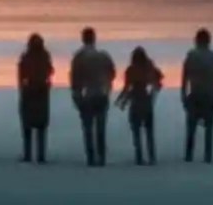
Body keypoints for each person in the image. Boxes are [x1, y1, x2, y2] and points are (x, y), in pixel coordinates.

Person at [69, 26, 116, 167]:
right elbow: (112, 73)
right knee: (101, 127)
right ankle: (101, 157)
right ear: (94, 39)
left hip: (87, 94)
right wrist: (106, 85)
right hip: (101, 93)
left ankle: (90, 156)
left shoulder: (79, 57)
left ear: (83, 39)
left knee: (88, 127)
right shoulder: (103, 56)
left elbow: (74, 78)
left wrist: (76, 94)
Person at [181, 28, 213, 163]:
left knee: (191, 129)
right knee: (209, 130)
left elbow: (184, 81)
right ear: (209, 41)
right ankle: (208, 156)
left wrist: (184, 98)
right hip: (210, 95)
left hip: (195, 95)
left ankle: (189, 156)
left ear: (196, 41)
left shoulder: (191, 56)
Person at [115, 46, 163, 166]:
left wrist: (120, 100)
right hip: (146, 101)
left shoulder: (131, 70)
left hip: (135, 101)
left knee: (136, 132)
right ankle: (152, 156)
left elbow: (127, 88)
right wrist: (153, 92)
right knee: (149, 131)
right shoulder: (150, 68)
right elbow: (158, 81)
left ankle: (139, 157)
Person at [17, 33, 54, 163]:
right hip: (42, 90)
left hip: (29, 90)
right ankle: (41, 155)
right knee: (41, 125)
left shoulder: (26, 57)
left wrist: (22, 87)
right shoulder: (45, 56)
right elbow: (50, 71)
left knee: (27, 124)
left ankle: (28, 154)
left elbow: (21, 74)